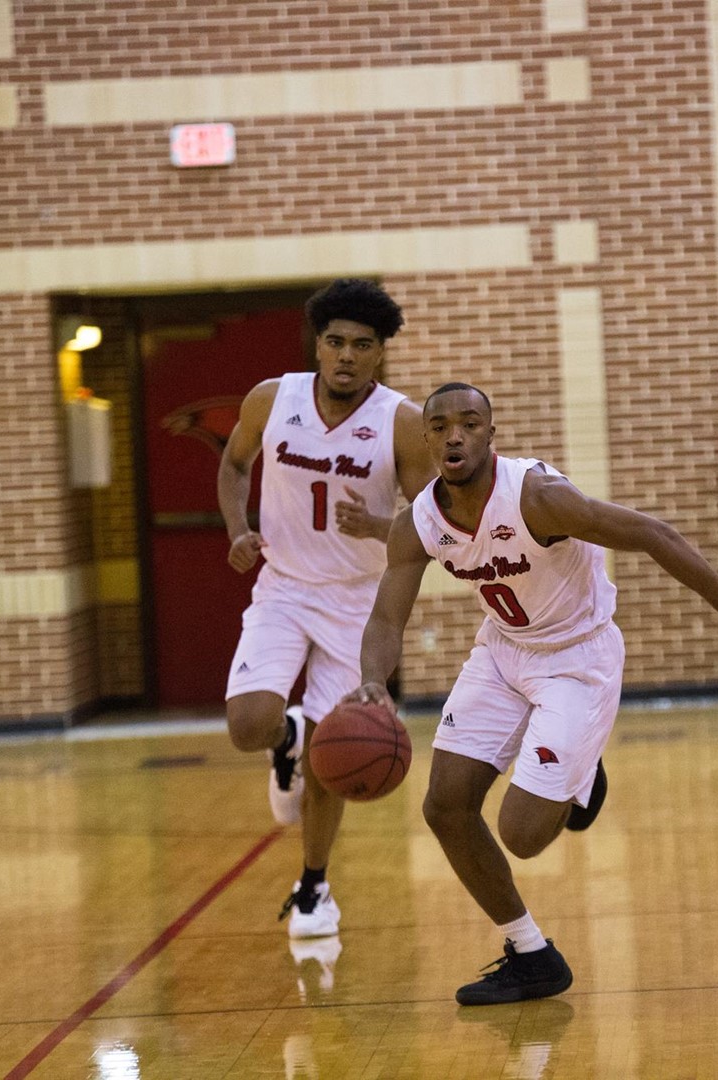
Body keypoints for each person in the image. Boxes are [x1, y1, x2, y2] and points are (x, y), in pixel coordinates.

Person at [347, 382, 718, 1006]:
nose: (454, 434)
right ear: (426, 439)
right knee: (444, 807)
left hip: (578, 658)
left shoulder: (538, 498)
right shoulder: (417, 522)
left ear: (489, 434)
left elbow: (653, 534)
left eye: (469, 423)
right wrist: (371, 683)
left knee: (523, 835)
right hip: (503, 652)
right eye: (440, 424)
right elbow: (386, 619)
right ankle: (532, 955)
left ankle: (581, 772)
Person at [216, 279, 435, 938]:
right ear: (318, 342)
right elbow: (233, 467)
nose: (345, 355)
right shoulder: (269, 399)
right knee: (248, 724)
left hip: (356, 605)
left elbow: (429, 524)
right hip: (282, 587)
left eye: (361, 345)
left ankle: (314, 885)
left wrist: (377, 526)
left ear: (379, 354)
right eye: (334, 341)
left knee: (332, 761)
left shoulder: (402, 421)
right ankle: (283, 738)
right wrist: (237, 530)